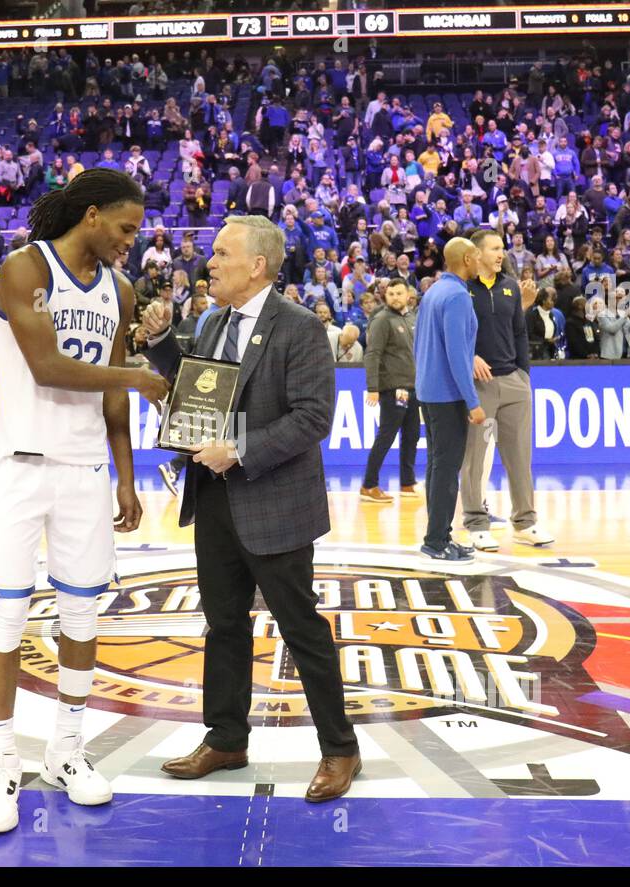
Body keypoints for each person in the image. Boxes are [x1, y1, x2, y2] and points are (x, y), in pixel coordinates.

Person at [141, 215, 362, 803]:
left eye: (220, 254)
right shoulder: (212, 322)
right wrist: (164, 344)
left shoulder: (299, 328)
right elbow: (196, 387)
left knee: (301, 627)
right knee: (224, 624)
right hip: (213, 500)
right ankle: (226, 737)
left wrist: (238, 449)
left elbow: (313, 417)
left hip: (275, 501)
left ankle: (340, 749)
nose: (208, 263)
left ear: (257, 265)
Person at [0, 169, 169, 835]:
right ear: (91, 215)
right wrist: (138, 375)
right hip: (22, 466)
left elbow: (112, 396)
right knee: (7, 610)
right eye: (125, 228)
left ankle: (66, 750)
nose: (130, 242)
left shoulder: (119, 288)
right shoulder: (23, 268)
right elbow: (50, 366)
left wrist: (125, 474)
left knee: (83, 613)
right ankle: (0, 761)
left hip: (87, 468)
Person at [459, 230, 554, 551]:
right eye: (495, 248)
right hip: (478, 384)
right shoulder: (462, 289)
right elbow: (453, 333)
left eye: (502, 248)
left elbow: (519, 334)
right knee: (474, 458)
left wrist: (523, 374)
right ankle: (475, 523)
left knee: (519, 457)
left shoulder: (511, 288)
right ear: (477, 253)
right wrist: (468, 357)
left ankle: (525, 522)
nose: (502, 254)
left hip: (514, 380)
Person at [414, 236, 487, 562]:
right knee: (446, 469)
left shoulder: (433, 291)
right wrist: (472, 401)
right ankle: (436, 539)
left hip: (428, 391)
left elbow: (420, 342)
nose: (480, 261)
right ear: (468, 258)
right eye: (477, 256)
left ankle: (438, 534)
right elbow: (459, 355)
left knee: (436, 465)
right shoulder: (457, 296)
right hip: (448, 395)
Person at [360, 277, 418, 501]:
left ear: (407, 295)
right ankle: (369, 485)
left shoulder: (412, 318)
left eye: (399, 293)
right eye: (391, 294)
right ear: (385, 296)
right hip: (393, 388)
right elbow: (372, 354)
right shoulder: (382, 319)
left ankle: (407, 482)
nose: (395, 297)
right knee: (386, 435)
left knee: (411, 436)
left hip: (413, 387)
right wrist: (372, 387)